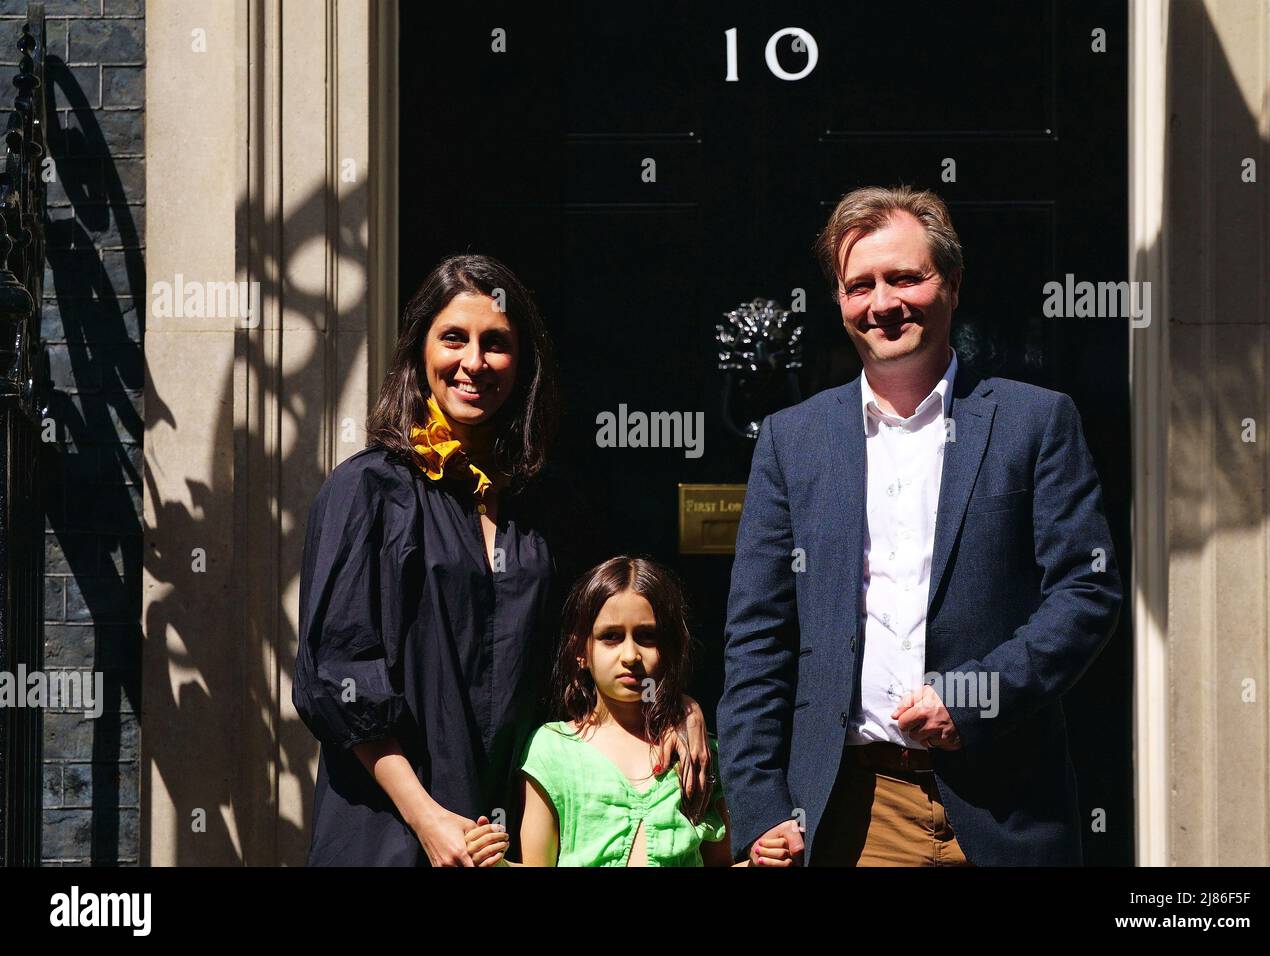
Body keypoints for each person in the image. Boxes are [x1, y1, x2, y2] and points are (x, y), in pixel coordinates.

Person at [717, 185, 1124, 867]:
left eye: (906, 277)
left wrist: (974, 698)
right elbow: (758, 635)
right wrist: (758, 804)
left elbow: (1086, 595)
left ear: (953, 286)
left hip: (1007, 810)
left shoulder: (1035, 421)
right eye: (861, 285)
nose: (883, 303)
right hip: (857, 810)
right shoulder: (794, 441)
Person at [292, 255, 711, 866]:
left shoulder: (551, 504)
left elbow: (597, 640)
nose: (474, 362)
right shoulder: (367, 492)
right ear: (418, 353)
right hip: (388, 829)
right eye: (453, 338)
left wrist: (672, 705)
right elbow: (337, 674)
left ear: (524, 362)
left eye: (497, 343)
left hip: (517, 826)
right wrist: (429, 819)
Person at [476, 556, 791, 867]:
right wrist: (490, 860)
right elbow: (537, 864)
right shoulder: (552, 749)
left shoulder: (697, 752)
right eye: (610, 637)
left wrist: (760, 861)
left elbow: (718, 861)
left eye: (646, 636)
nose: (630, 655)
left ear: (668, 648)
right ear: (580, 652)